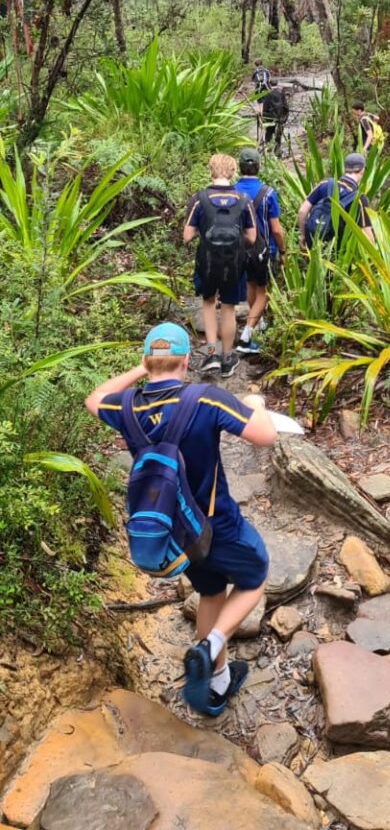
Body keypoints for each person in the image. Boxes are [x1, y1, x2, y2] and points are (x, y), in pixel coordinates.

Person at [85, 321, 277, 717]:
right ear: (187, 361)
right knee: (255, 576)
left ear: (146, 360)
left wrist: (141, 370)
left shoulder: (126, 407)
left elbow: (95, 398)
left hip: (178, 531)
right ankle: (209, 647)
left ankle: (216, 683)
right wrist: (255, 406)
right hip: (217, 523)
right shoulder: (204, 399)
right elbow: (265, 436)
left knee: (210, 592)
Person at [183, 154, 256, 377]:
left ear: (211, 171)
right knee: (228, 307)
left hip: (207, 261)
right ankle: (227, 358)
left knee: (208, 303)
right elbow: (252, 237)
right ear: (233, 171)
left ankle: (211, 353)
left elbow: (186, 236)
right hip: (234, 262)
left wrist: (205, 233)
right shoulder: (243, 199)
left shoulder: (200, 199)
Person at [233, 146, 286, 355]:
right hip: (264, 249)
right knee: (264, 291)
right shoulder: (268, 193)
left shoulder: (233, 191)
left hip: (241, 248)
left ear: (239, 167)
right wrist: (282, 250)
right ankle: (247, 336)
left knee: (251, 284)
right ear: (259, 167)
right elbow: (276, 228)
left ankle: (259, 322)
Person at [298, 152, 375, 249]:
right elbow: (366, 234)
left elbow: (302, 211)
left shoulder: (325, 183)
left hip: (313, 243)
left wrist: (303, 235)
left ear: (345, 168)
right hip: (336, 251)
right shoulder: (359, 198)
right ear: (362, 171)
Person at [260, 83, 290, 154]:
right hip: (279, 118)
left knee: (269, 132)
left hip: (269, 117)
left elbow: (265, 107)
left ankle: (268, 149)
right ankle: (277, 149)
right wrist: (284, 118)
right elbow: (286, 107)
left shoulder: (268, 94)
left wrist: (263, 118)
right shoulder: (281, 93)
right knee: (279, 134)